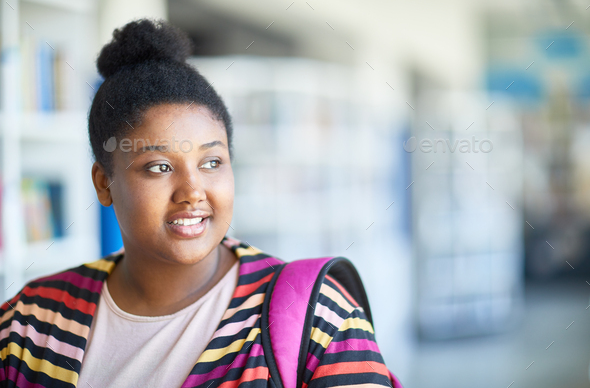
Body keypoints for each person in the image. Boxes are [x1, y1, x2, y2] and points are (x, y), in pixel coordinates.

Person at [0, 19, 398, 388]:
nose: (192, 191)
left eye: (211, 162)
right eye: (158, 166)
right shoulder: (28, 324)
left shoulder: (320, 320)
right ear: (104, 184)